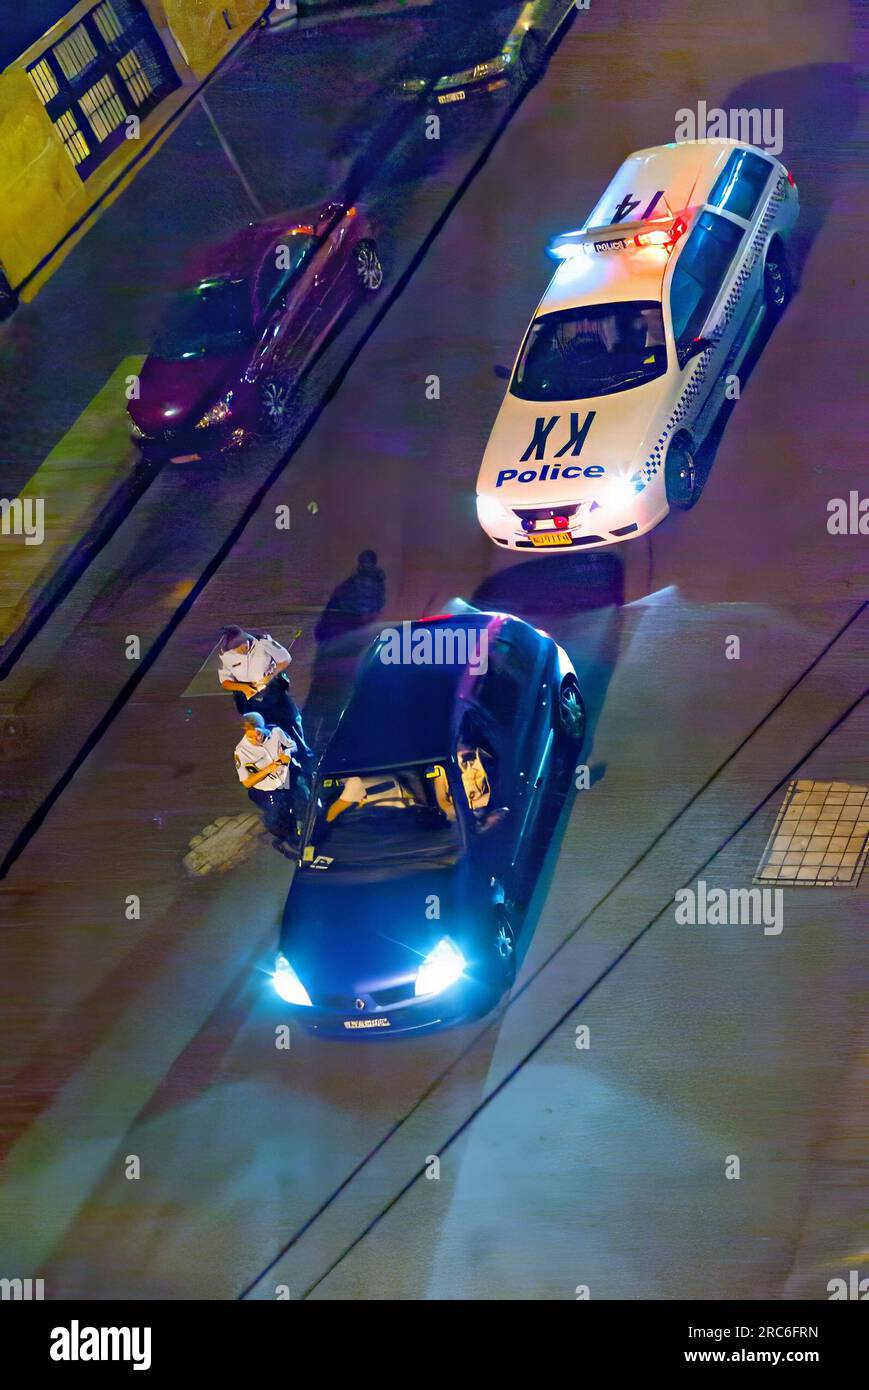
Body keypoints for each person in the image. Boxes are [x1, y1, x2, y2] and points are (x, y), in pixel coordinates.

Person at [218, 624, 313, 770]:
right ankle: (275, 765)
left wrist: (270, 676)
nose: (237, 652)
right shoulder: (226, 654)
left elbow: (285, 659)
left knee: (291, 724)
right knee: (260, 734)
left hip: (273, 693)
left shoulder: (262, 642)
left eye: (239, 648)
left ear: (245, 641)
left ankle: (306, 762)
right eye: (233, 650)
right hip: (250, 700)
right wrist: (243, 687)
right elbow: (225, 682)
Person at [234, 713, 306, 856]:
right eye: (251, 737)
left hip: (286, 780)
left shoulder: (276, 732)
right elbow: (248, 782)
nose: (256, 739)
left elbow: (293, 746)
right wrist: (272, 766)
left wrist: (286, 752)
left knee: (300, 803)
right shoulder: (241, 751)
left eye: (258, 734)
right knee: (278, 818)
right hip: (266, 791)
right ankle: (288, 843)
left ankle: (303, 833)